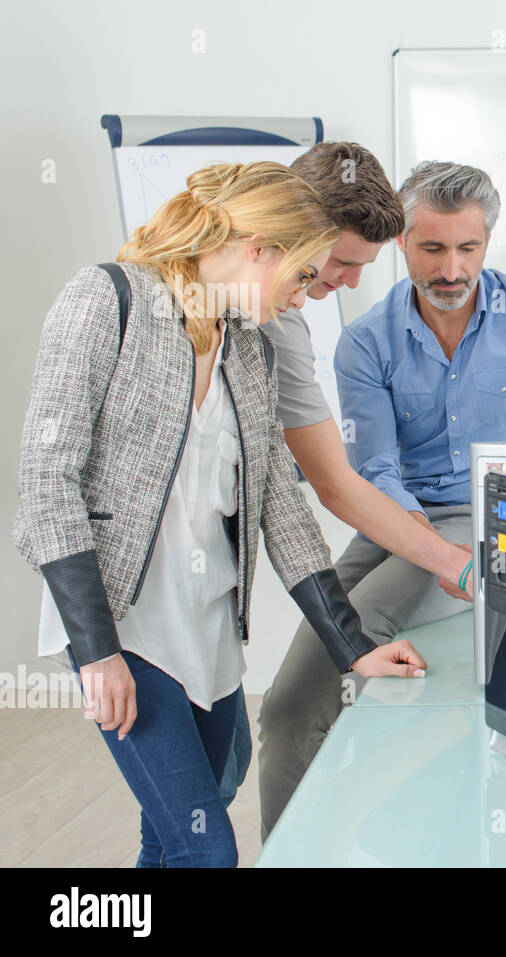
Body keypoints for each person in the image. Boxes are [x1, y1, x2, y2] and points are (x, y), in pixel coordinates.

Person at [12, 162, 425, 867]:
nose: (302, 299)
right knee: (206, 851)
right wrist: (98, 650)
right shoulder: (106, 300)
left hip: (207, 626)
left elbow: (283, 510)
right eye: (301, 277)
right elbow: (46, 484)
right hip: (125, 625)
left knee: (169, 835)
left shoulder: (249, 349)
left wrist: (352, 646)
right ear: (259, 248)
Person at [257, 160, 506, 837]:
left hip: (503, 514)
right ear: (400, 243)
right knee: (290, 703)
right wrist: (432, 551)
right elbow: (374, 473)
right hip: (394, 520)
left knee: (361, 621)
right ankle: (289, 847)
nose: (452, 268)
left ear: (488, 242)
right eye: (432, 248)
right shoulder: (364, 343)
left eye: (469, 247)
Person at [253, 143, 475, 836]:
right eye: (342, 262)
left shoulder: (287, 319)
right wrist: (453, 562)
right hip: (386, 520)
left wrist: (458, 562)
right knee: (277, 714)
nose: (346, 283)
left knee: (305, 688)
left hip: (447, 523)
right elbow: (347, 484)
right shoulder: (354, 337)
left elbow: (319, 488)